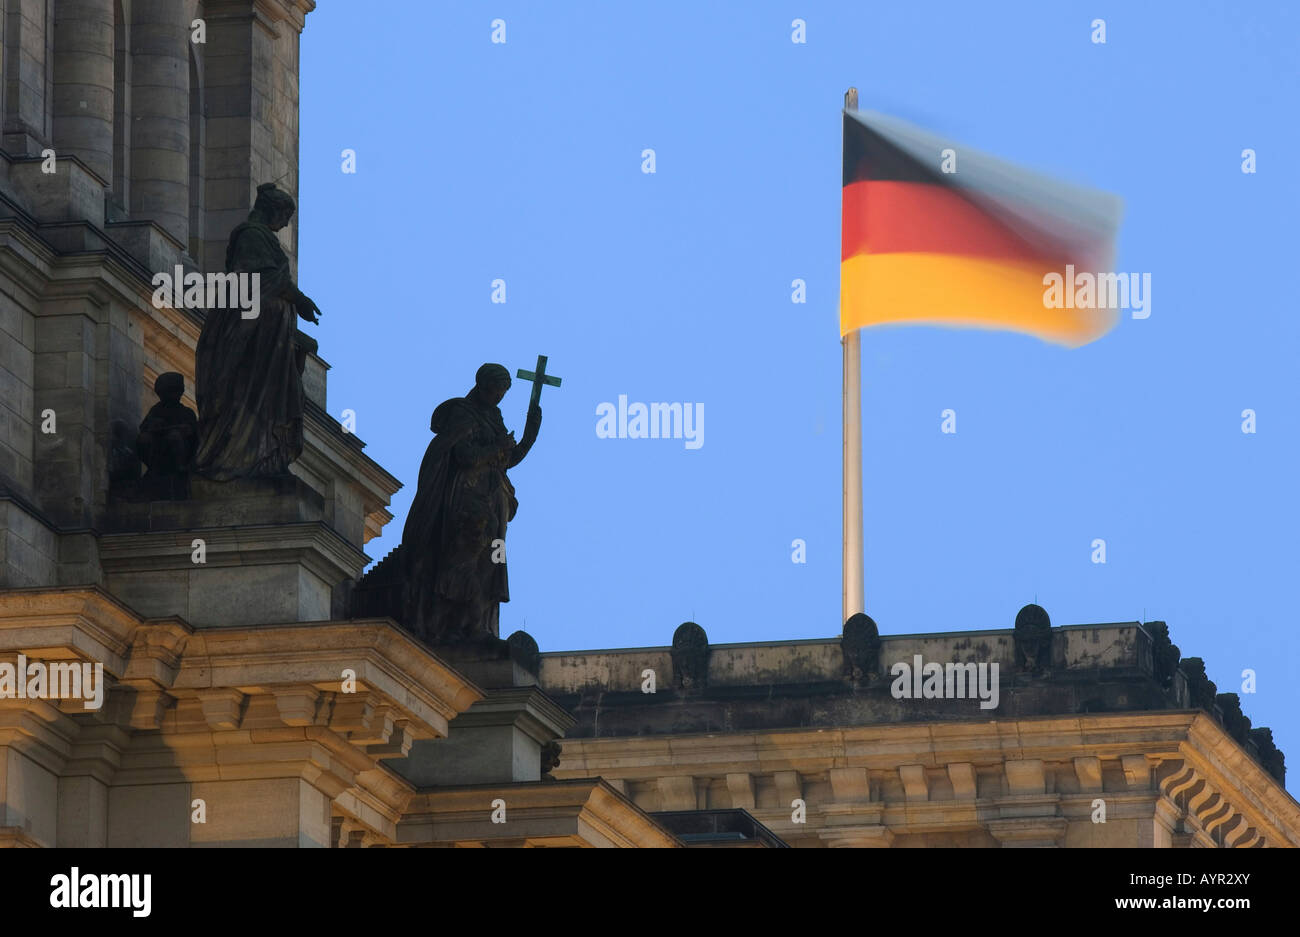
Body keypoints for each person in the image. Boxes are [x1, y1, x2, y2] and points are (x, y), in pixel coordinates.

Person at [402, 363, 542, 643]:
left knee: (487, 560)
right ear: (482, 385)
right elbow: (464, 456)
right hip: (464, 495)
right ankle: (450, 621)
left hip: (491, 498)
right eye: (495, 390)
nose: (499, 397)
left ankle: (472, 622)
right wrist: (498, 447)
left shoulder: (494, 416)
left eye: (503, 392)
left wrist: (530, 434)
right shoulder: (462, 414)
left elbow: (506, 462)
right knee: (465, 554)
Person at [193, 183, 321, 480]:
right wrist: (299, 299)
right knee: (246, 395)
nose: (287, 223)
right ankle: (240, 458)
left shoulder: (261, 238)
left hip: (268, 334)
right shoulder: (251, 236)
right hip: (251, 335)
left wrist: (294, 330)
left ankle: (263, 456)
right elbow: (258, 279)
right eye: (286, 216)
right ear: (273, 210)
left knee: (270, 395)